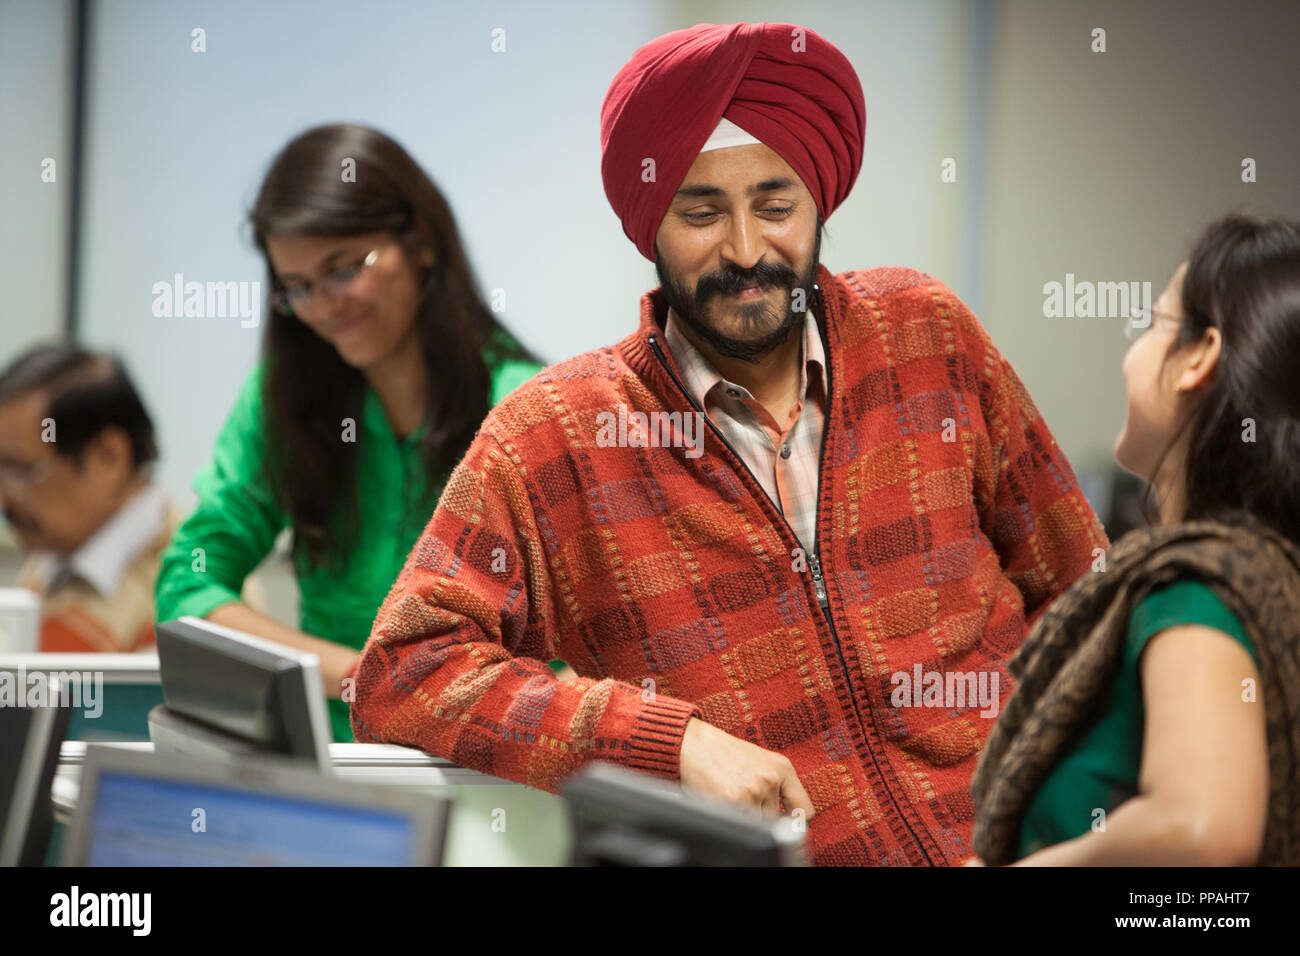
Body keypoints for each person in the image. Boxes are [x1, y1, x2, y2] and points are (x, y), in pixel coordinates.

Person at [350, 23, 1108, 866]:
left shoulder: (928, 335)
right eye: (701, 212)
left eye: (776, 206)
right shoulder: (558, 435)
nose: (747, 251)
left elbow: (1089, 593)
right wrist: (665, 742)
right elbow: (405, 668)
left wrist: (1062, 814)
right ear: (649, 226)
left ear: (817, 202)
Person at [153, 124, 544, 742]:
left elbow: (594, 635)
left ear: (420, 243)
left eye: (343, 269)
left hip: (490, 765)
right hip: (327, 754)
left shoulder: (526, 407)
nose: (323, 307)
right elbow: (190, 582)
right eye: (298, 287)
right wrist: (354, 675)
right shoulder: (281, 400)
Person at [970, 213, 1300, 866]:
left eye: (1152, 324)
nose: (1132, 354)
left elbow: (1204, 828)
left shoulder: (1196, 589)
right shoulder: (1266, 576)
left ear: (1198, 358)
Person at [0, 345, 179, 652]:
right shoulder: (59, 553)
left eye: (24, 471)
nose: (4, 498)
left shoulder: (197, 588)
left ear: (110, 457)